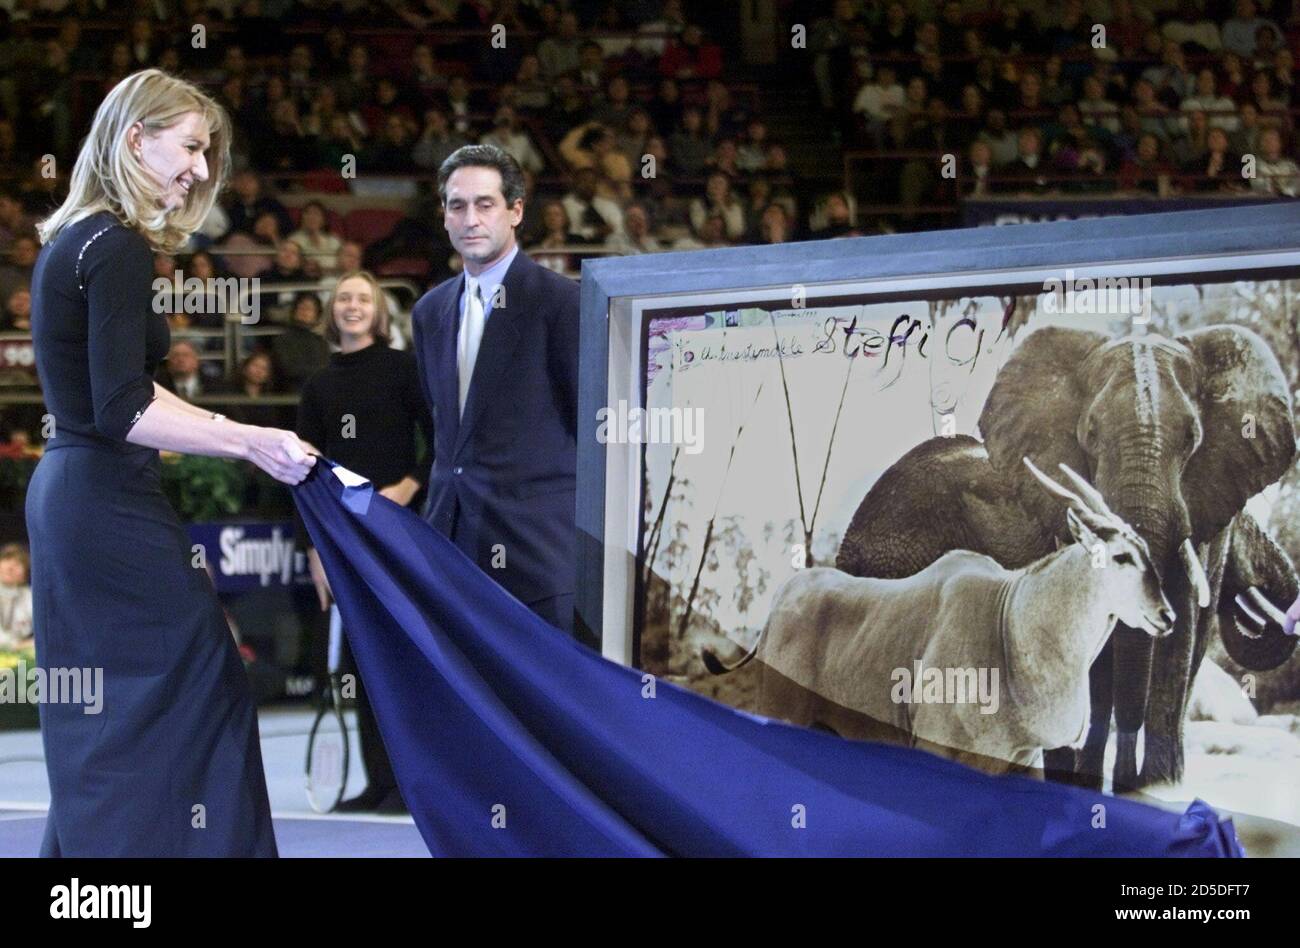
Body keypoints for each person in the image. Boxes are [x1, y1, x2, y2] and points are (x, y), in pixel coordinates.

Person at [26, 69, 316, 857]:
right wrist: (251, 441)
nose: (198, 169)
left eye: (207, 153)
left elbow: (124, 389)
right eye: (189, 147)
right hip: (105, 495)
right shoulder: (116, 247)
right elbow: (126, 409)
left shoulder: (75, 237)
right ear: (133, 139)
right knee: (193, 687)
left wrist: (238, 427)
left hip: (76, 494)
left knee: (115, 712)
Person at [411, 144, 581, 637]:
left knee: (547, 709)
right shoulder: (429, 312)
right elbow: (446, 431)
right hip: (450, 549)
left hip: (539, 555)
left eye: (485, 204)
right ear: (443, 215)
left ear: (516, 211)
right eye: (457, 205)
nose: (471, 218)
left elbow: (590, 428)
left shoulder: (562, 303)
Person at [296, 269, 433, 814]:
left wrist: (408, 485)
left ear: (378, 312)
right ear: (332, 312)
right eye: (343, 298)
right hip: (341, 539)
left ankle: (411, 785)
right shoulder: (319, 385)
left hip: (396, 531)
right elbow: (300, 470)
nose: (352, 306)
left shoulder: (403, 370)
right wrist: (314, 549)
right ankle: (377, 784)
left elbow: (445, 438)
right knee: (359, 662)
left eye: (362, 298)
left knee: (401, 658)